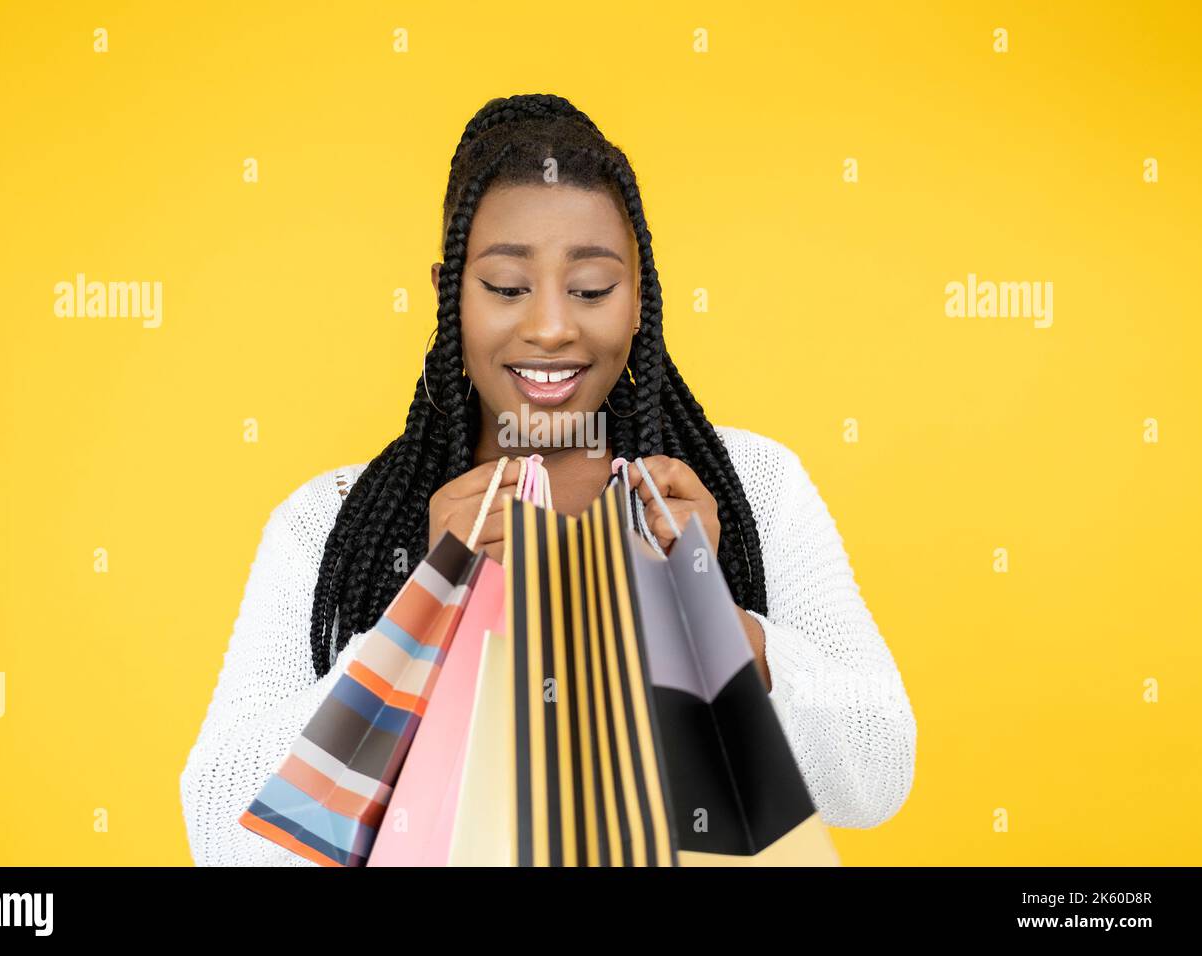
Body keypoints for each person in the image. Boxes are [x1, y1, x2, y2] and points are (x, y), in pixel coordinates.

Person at [180, 93, 916, 866]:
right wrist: (420, 616)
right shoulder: (329, 522)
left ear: (639, 298)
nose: (552, 326)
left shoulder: (751, 485)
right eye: (506, 287)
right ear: (447, 296)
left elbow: (878, 776)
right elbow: (220, 836)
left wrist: (719, 622)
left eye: (593, 289)